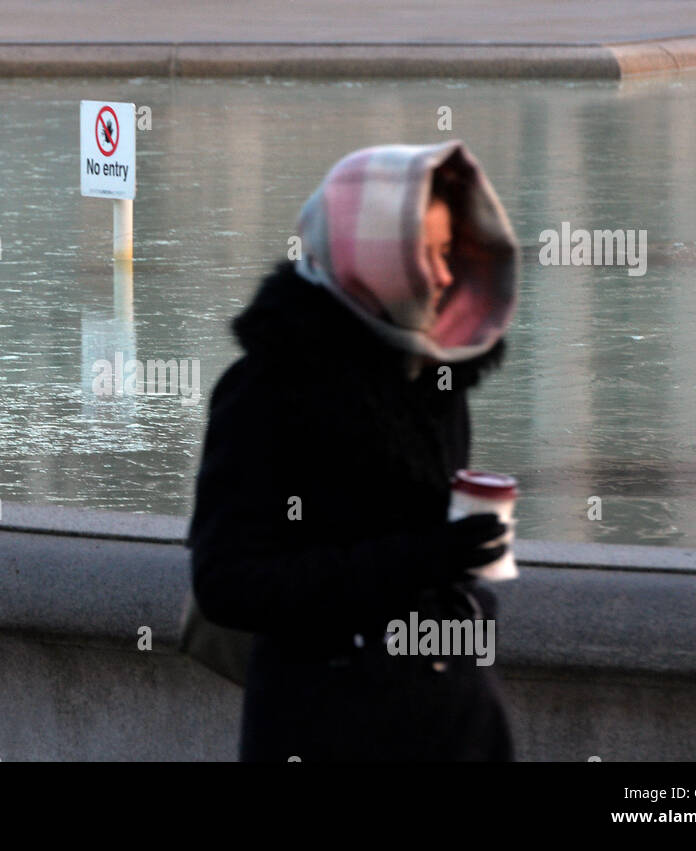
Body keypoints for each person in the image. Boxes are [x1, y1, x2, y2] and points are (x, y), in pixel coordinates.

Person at [186, 141, 520, 761]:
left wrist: (462, 588)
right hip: (329, 727)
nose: (446, 277)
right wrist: (417, 561)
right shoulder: (270, 389)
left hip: (452, 720)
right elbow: (228, 582)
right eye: (426, 254)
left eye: (450, 254)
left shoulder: (434, 374)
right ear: (371, 252)